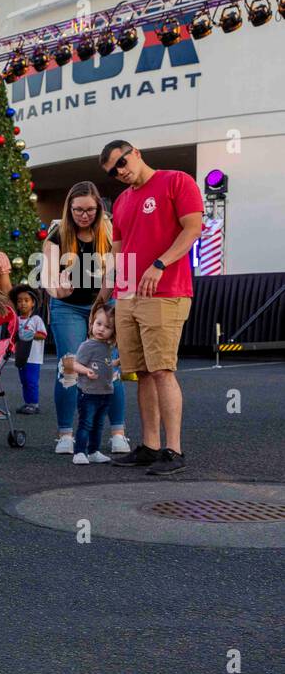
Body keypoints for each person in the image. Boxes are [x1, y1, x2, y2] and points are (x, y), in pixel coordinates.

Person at [98, 140, 202, 476]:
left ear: (136, 153)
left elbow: (192, 229)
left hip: (166, 291)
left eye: (122, 163)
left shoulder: (176, 181)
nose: (121, 172)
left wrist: (160, 264)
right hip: (128, 296)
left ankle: (174, 450)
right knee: (140, 372)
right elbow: (118, 249)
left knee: (161, 370)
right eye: (113, 171)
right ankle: (150, 446)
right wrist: (106, 291)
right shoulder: (124, 201)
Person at [41, 182, 129, 454]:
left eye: (90, 209)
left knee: (107, 368)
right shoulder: (57, 235)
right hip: (67, 306)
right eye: (78, 209)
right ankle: (65, 434)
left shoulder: (110, 231)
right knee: (70, 365)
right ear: (69, 208)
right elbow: (48, 277)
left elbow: (118, 273)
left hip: (104, 304)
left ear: (99, 208)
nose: (84, 215)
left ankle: (118, 433)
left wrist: (105, 304)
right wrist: (58, 289)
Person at [63, 303, 118, 464]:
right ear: (92, 323)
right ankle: (80, 452)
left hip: (105, 392)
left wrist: (117, 363)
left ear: (113, 331)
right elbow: (74, 364)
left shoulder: (107, 346)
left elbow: (105, 364)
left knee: (98, 424)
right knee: (86, 423)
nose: (101, 329)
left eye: (107, 327)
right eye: (98, 324)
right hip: (88, 392)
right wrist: (86, 371)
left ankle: (93, 451)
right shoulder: (87, 345)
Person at [12, 286, 47, 413]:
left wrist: (30, 334)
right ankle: (27, 403)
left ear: (33, 303)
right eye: (20, 301)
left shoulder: (36, 319)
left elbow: (43, 335)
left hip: (33, 358)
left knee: (31, 381)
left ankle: (34, 404)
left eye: (26, 300)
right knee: (24, 381)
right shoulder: (15, 320)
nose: (23, 303)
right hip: (21, 356)